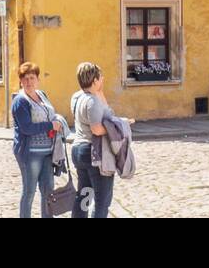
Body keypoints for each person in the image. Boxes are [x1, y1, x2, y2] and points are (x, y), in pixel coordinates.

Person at [70, 61, 133, 218]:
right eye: (100, 77)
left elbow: (107, 111)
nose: (102, 79)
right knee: (102, 201)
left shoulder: (78, 97)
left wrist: (100, 91)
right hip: (95, 153)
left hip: (79, 150)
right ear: (94, 80)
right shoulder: (92, 101)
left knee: (84, 195)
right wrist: (120, 125)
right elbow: (97, 129)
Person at [11, 61, 67, 218]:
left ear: (37, 79)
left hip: (48, 152)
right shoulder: (20, 101)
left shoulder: (42, 95)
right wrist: (50, 125)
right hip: (30, 153)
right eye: (25, 79)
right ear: (20, 81)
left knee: (48, 190)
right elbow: (26, 128)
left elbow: (50, 114)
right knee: (29, 191)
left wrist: (58, 122)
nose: (29, 82)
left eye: (32, 78)